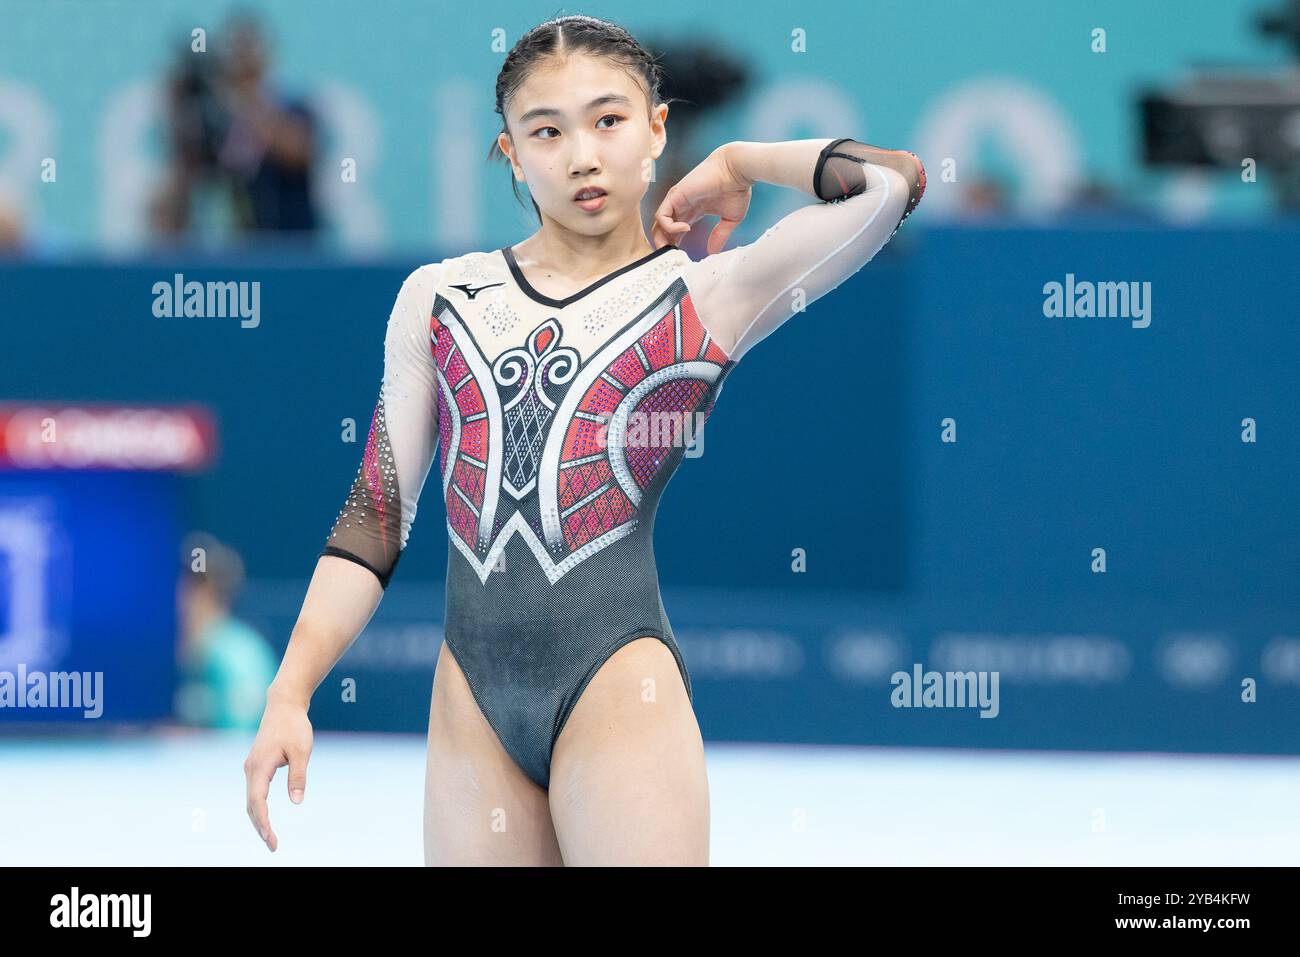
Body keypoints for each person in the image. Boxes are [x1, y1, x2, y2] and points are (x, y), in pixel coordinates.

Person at [244, 14, 923, 865]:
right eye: (547, 131)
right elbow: (374, 517)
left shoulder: (706, 295)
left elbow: (890, 186)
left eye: (609, 120)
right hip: (471, 706)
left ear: (656, 129)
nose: (582, 156)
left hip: (618, 688)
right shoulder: (440, 299)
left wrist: (741, 160)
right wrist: (290, 691)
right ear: (509, 153)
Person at [176, 532, 278, 730]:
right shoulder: (198, 649)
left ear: (202, 592)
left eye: (187, 585)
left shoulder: (235, 653)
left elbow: (238, 737)